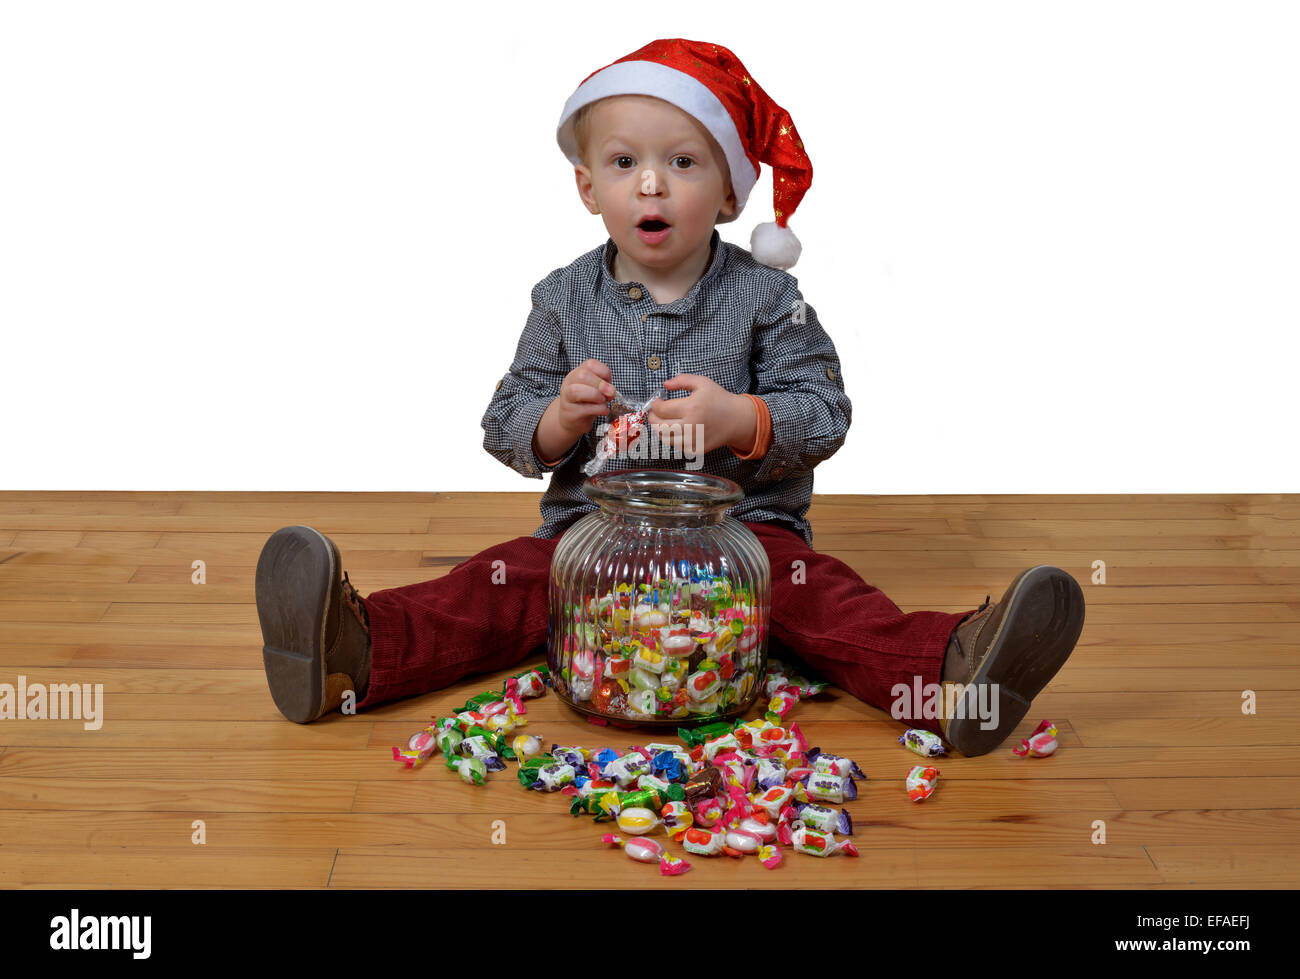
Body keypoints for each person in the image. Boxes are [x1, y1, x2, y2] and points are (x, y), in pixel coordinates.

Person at [256, 38, 1084, 756]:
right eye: (624, 163)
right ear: (588, 188)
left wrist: (741, 418)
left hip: (745, 540)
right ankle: (354, 654)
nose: (651, 185)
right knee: (496, 587)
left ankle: (947, 677)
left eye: (682, 162)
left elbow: (825, 410)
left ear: (729, 192)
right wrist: (554, 422)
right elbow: (502, 423)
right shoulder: (561, 300)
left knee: (819, 601)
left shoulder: (767, 298)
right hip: (593, 541)